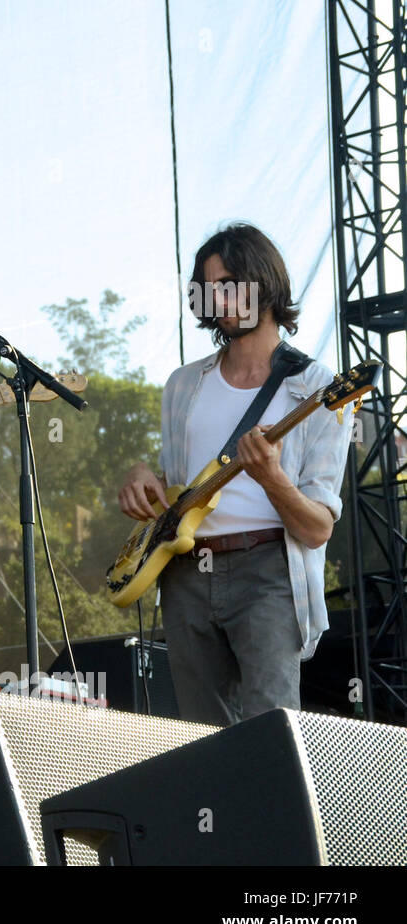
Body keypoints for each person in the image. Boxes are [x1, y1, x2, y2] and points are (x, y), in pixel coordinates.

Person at [118, 223, 352, 726]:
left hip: (268, 573)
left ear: (263, 285)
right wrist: (141, 474)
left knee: (271, 735)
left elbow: (316, 529)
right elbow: (183, 486)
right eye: (208, 288)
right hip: (183, 577)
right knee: (202, 738)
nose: (217, 300)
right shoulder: (182, 385)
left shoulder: (319, 388)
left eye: (229, 284)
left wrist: (273, 479)